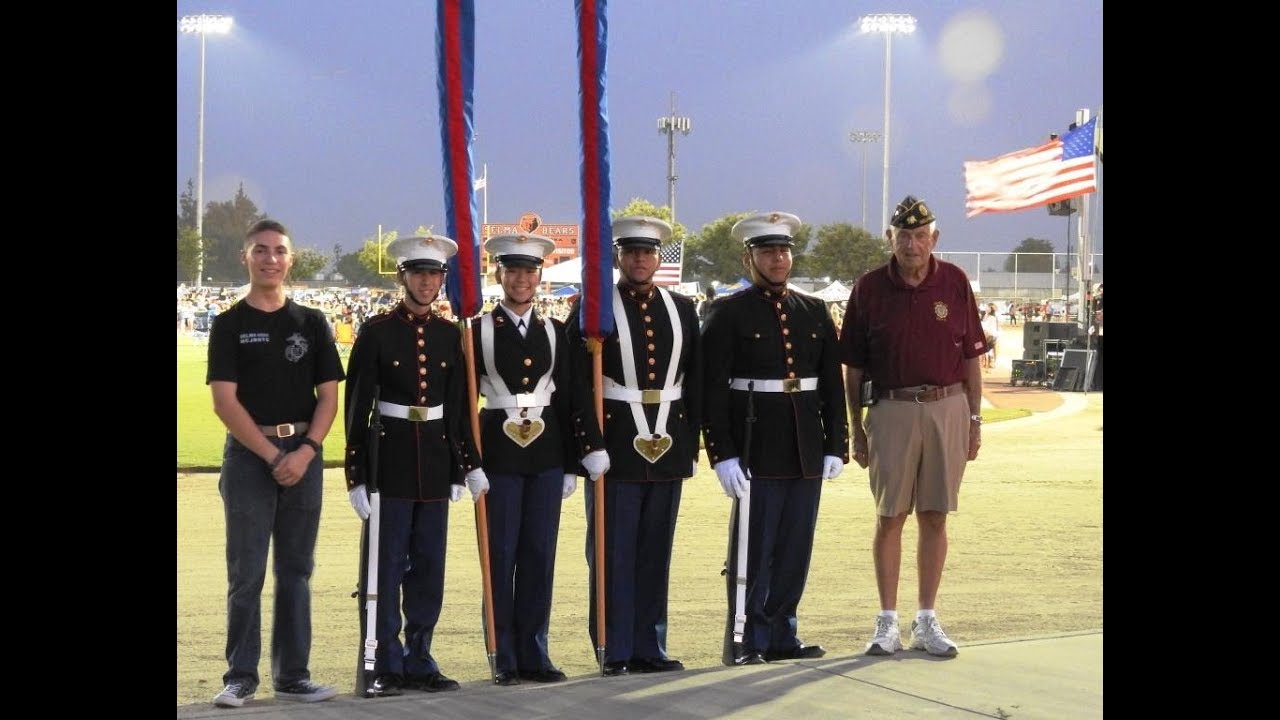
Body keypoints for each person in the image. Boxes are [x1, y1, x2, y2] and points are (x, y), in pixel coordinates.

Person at [839, 195, 986, 659]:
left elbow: (971, 359)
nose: (912, 244)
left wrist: (975, 421)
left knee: (935, 515)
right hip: (891, 409)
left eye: (920, 235)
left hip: (948, 405)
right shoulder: (868, 288)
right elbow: (854, 368)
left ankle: (926, 619)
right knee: (890, 516)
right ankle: (887, 622)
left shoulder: (955, 282)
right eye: (903, 235)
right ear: (891, 238)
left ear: (934, 238)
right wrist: (855, 429)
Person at [206, 219, 344, 708]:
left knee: (296, 570)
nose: (270, 259)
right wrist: (271, 456)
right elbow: (225, 402)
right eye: (260, 251)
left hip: (304, 456)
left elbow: (328, 397)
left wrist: (304, 452)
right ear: (247, 257)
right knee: (246, 572)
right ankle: (241, 676)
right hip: (249, 458)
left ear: (291, 259)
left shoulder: (312, 323)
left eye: (279, 251)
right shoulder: (229, 324)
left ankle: (293, 676)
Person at [701, 211, 849, 665]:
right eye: (768, 251)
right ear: (750, 258)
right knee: (753, 548)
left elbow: (830, 382)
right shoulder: (726, 312)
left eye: (783, 250)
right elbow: (710, 388)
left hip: (804, 444)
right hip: (755, 445)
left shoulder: (813, 309)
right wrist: (722, 453)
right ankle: (746, 638)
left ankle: (783, 633)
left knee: (793, 548)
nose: (778, 258)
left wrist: (835, 444)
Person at [343, 234, 485, 697]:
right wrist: (356, 474)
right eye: (418, 273)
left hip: (435, 462)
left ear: (442, 280)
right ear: (403, 277)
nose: (426, 282)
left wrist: (465, 465)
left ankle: (420, 657)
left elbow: (459, 408)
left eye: (434, 275)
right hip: (391, 461)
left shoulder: (449, 334)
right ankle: (383, 662)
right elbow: (358, 406)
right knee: (385, 568)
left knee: (429, 568)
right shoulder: (377, 330)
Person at [565, 215, 701, 676]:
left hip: (667, 444)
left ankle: (650, 645)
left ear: (657, 257)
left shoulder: (682, 309)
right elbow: (574, 383)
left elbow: (695, 380)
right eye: (632, 252)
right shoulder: (594, 307)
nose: (640, 259)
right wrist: (588, 444)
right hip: (616, 444)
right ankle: (613, 647)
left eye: (648, 252)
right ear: (619, 257)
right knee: (612, 552)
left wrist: (692, 444)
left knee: (654, 552)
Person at [470, 233, 577, 686]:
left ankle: (535, 650)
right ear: (499, 274)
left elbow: (570, 398)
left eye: (529, 271)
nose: (520, 279)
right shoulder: (475, 331)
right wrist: (468, 461)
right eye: (512, 270)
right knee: (501, 553)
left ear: (539, 278)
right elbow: (462, 403)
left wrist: (573, 460)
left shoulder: (555, 330)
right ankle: (502, 653)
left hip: (547, 452)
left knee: (539, 554)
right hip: (498, 449)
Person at [980, 303, 1000, 371]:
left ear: (991, 309)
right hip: (987, 334)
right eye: (986, 307)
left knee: (985, 346)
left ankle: (988, 362)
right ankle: (985, 362)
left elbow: (991, 328)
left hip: (991, 335)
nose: (986, 308)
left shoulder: (992, 317)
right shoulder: (985, 316)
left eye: (988, 308)